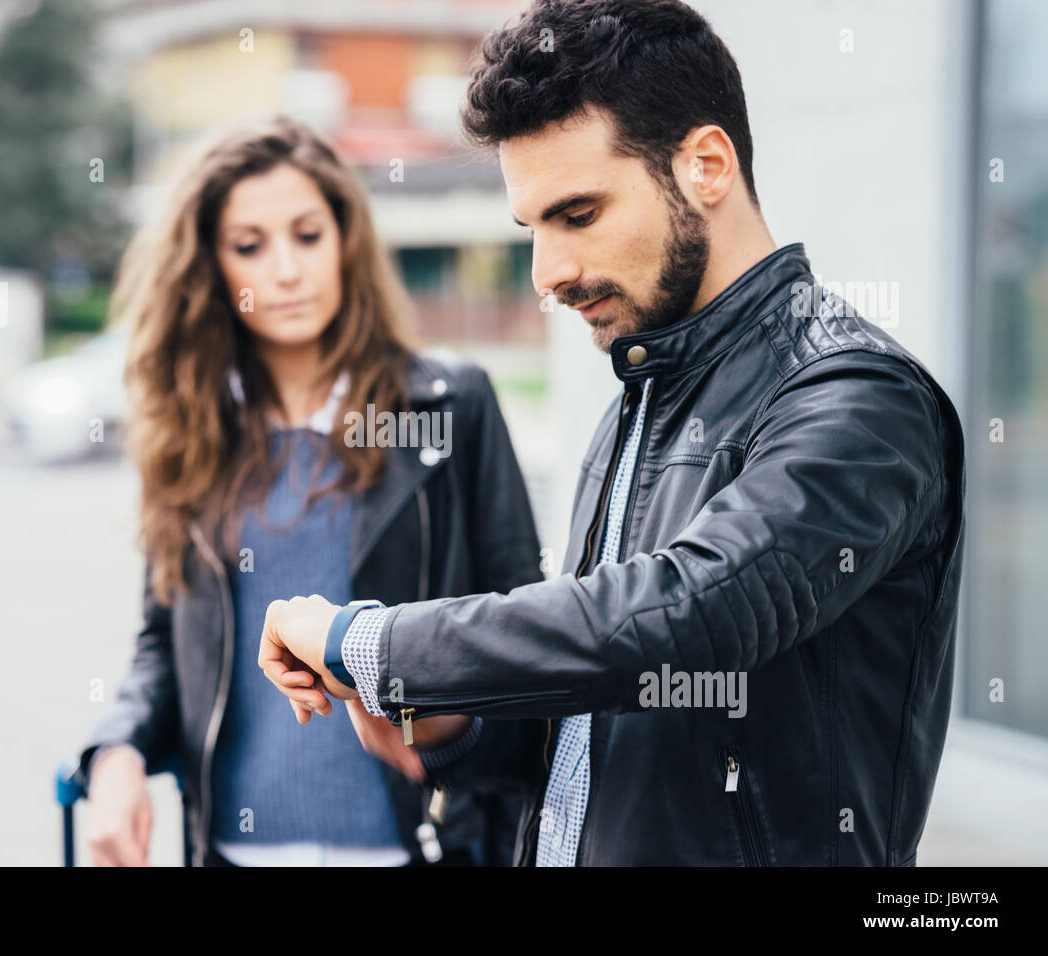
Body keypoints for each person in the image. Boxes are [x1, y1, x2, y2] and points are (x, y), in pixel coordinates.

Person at [260, 0, 966, 866]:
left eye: (578, 214)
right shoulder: (636, 402)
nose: (547, 274)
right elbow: (605, 724)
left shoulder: (859, 397)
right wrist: (454, 728)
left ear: (707, 165)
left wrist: (370, 640)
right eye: (533, 229)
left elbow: (693, 614)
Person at [75, 116, 541, 867]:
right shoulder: (190, 430)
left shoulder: (449, 407)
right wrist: (117, 752)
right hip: (233, 850)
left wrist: (449, 737)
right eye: (250, 246)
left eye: (308, 234)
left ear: (346, 242)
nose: (286, 270)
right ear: (211, 267)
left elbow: (523, 643)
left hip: (423, 845)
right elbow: (166, 642)